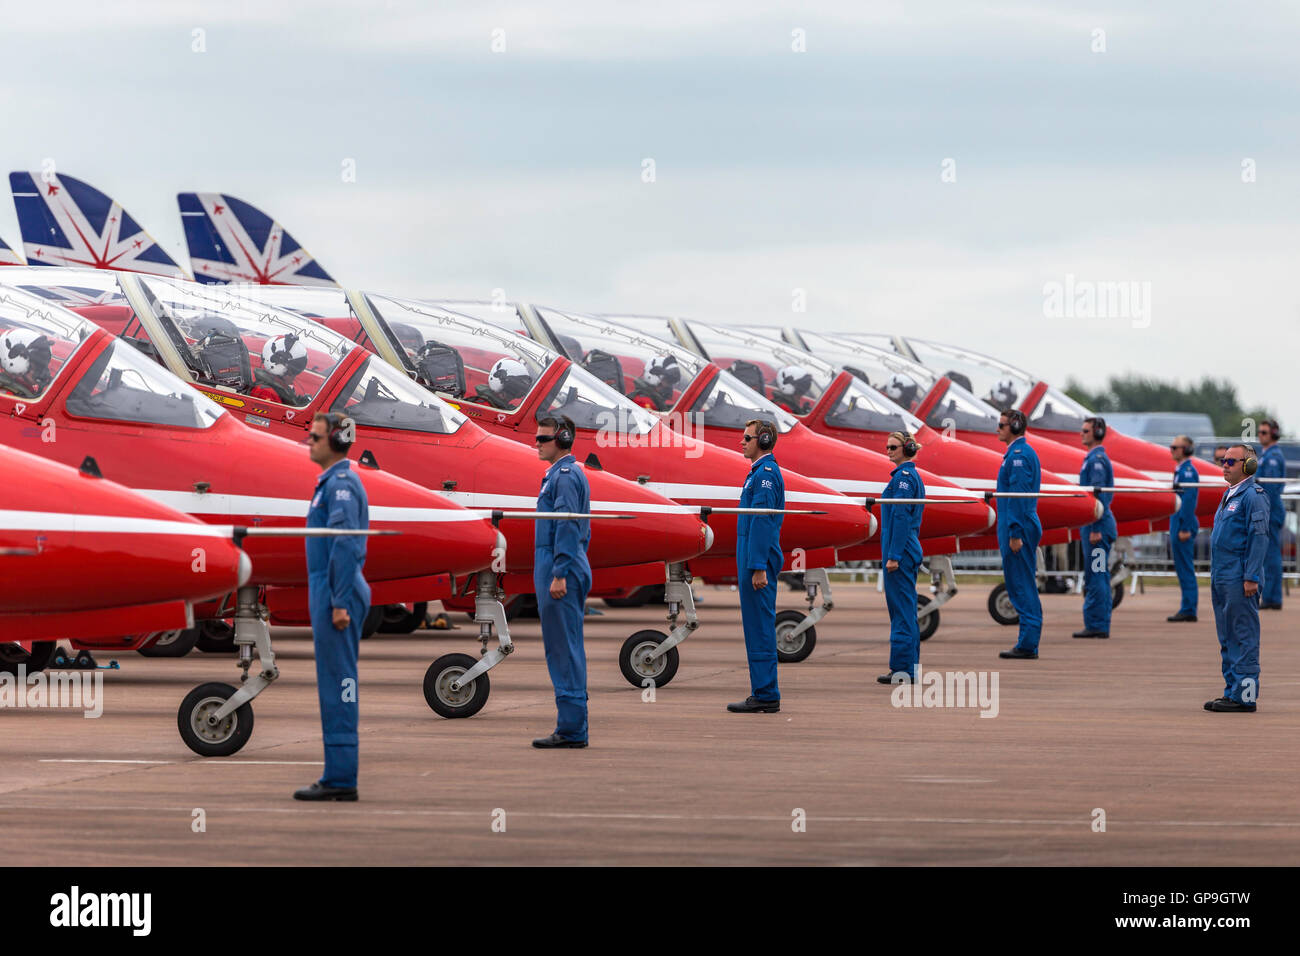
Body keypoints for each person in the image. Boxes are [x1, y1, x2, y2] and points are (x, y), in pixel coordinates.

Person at [295, 412, 370, 801]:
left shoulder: (340, 485)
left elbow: (346, 545)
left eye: (316, 437)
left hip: (335, 591)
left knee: (339, 681)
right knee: (333, 680)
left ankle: (341, 777)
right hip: (329, 587)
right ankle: (337, 771)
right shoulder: (330, 483)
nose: (309, 441)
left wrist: (339, 602)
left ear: (334, 442)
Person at [532, 414, 593, 748]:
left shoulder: (565, 476)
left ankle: (571, 728)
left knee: (563, 649)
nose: (537, 444)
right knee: (564, 646)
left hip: (559, 565)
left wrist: (559, 572)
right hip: (561, 561)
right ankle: (572, 723)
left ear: (563, 438)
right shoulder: (560, 474)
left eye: (543, 439)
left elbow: (568, 525)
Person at [1205, 444, 1268, 713]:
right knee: (1227, 636)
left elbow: (1259, 538)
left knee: (1244, 636)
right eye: (1223, 460)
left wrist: (1251, 576)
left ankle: (1246, 696)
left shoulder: (1253, 496)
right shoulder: (1229, 495)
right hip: (1222, 576)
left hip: (1239, 577)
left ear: (1248, 465)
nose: (1225, 464)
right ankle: (1232, 692)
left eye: (1231, 460)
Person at [729, 419, 785, 713]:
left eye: (747, 438)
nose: (742, 442)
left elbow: (762, 521)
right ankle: (762, 690)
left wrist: (759, 566)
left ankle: (765, 693)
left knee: (760, 626)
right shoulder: (758, 473)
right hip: (752, 557)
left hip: (757, 561)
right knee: (755, 626)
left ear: (762, 441)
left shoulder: (764, 475)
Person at [876, 431, 925, 684]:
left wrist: (894, 555)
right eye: (887, 446)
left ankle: (903, 670)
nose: (888, 450)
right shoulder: (904, 477)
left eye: (893, 446)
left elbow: (901, 518)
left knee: (902, 612)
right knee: (903, 610)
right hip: (903, 550)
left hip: (901, 553)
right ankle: (905, 667)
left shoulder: (903, 478)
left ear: (906, 448)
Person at [996, 409, 1044, 659]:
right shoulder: (1019, 453)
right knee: (1020, 583)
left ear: (1014, 426)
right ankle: (1027, 640)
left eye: (1002, 425)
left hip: (1019, 527)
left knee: (1021, 584)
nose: (998, 429)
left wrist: (1014, 533)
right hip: (1019, 525)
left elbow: (1018, 497)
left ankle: (1027, 643)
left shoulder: (1018, 456)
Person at [1074, 416, 1117, 639]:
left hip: (1097, 529)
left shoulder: (1096, 460)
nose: (1082, 433)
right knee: (1096, 574)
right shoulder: (1092, 458)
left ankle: (1098, 624)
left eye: (1086, 431)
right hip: (1094, 526)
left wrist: (1095, 527)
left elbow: (1099, 496)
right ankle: (1097, 622)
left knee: (1097, 575)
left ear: (1097, 433)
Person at [1167, 435, 1200, 622]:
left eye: (1175, 447)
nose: (1171, 450)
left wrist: (1185, 527)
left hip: (1182, 524)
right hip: (1178, 523)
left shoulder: (1187, 471)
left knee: (1185, 568)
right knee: (1182, 567)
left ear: (1185, 450)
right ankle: (1187, 606)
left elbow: (1188, 501)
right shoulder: (1181, 470)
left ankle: (1188, 608)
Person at [1256, 419, 1285, 610]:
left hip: (1270, 509)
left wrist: (1264, 509)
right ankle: (1271, 596)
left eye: (1264, 432)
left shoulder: (1273, 457)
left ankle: (1272, 597)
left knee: (1271, 554)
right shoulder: (1266, 455)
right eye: (1259, 432)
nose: (1260, 435)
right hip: (1267, 508)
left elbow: (1272, 488)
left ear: (1273, 434)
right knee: (1267, 554)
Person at [250, 333, 310, 405]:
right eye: (292, 372)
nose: (294, 378)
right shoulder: (266, 393)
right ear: (277, 366)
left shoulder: (280, 390)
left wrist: (299, 402)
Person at [0, 328, 53, 398]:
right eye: (36, 366)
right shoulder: (9, 395)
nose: (40, 373)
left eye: (42, 367)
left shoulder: (26, 394)